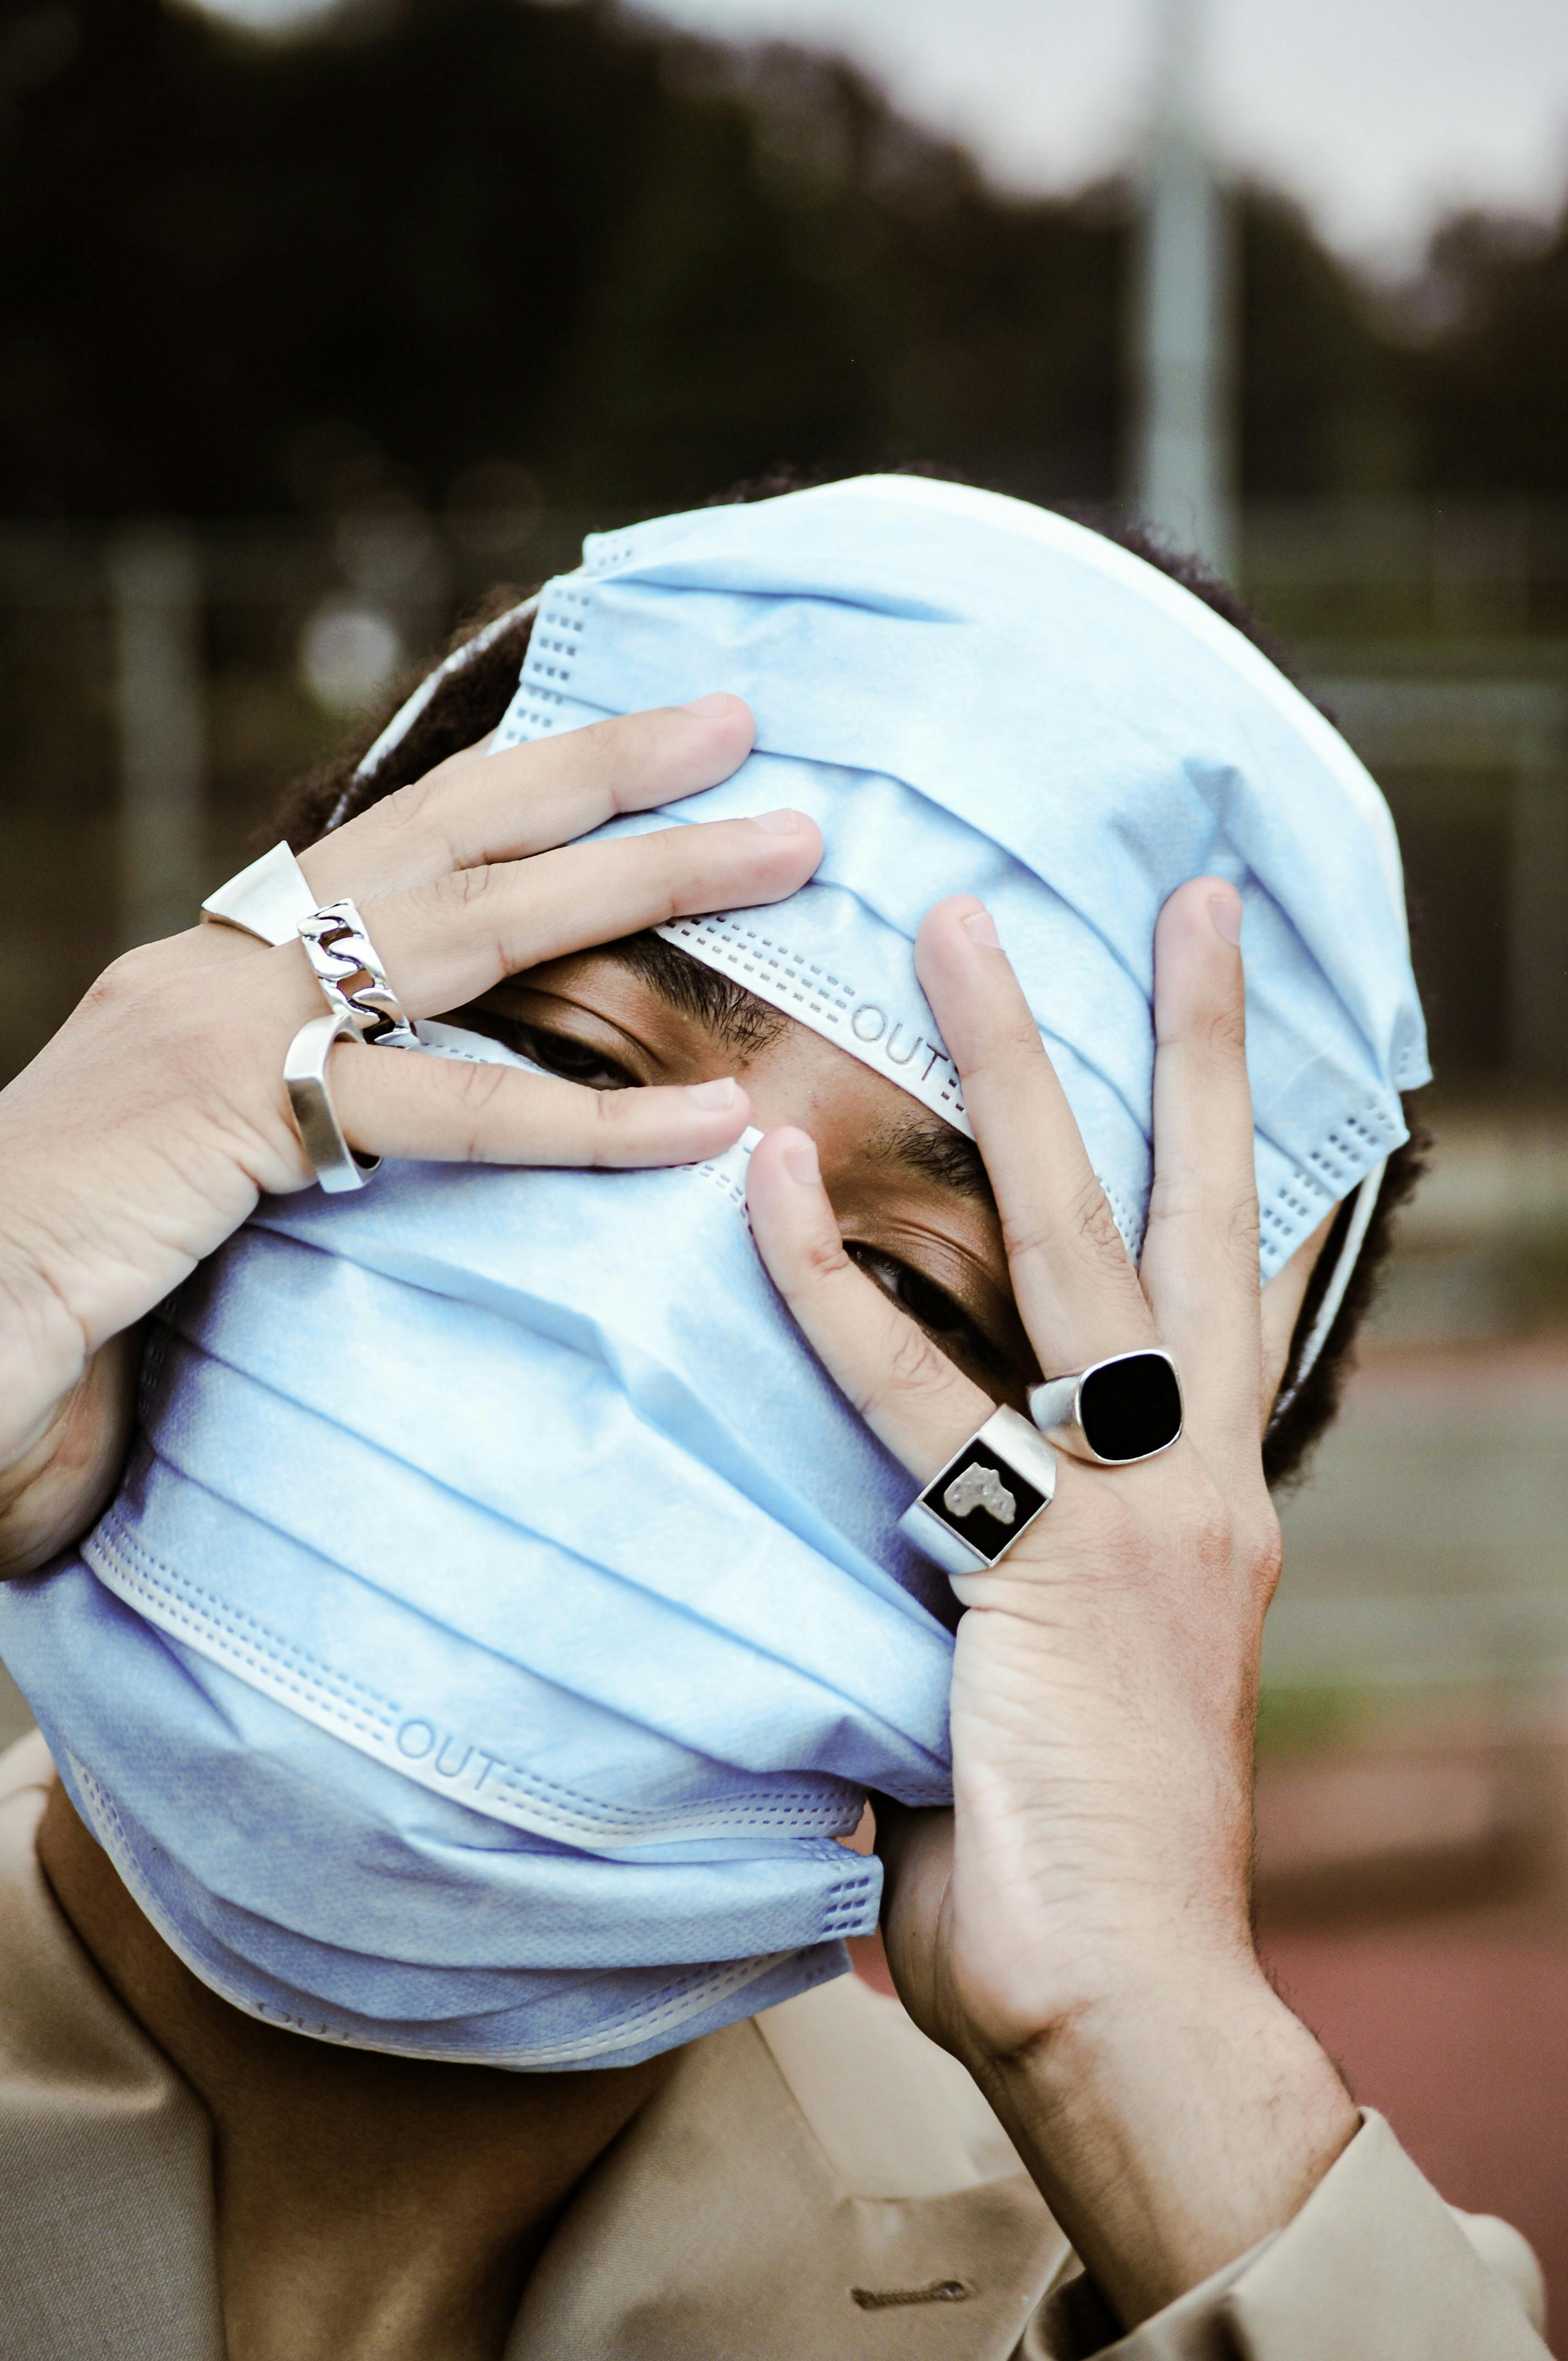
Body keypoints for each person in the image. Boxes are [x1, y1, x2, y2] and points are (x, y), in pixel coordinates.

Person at [0, 472, 1546, 2360]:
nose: (647, 1318)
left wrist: (1151, 2053)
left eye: (910, 1284)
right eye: (568, 1054)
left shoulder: (1124, 2296)